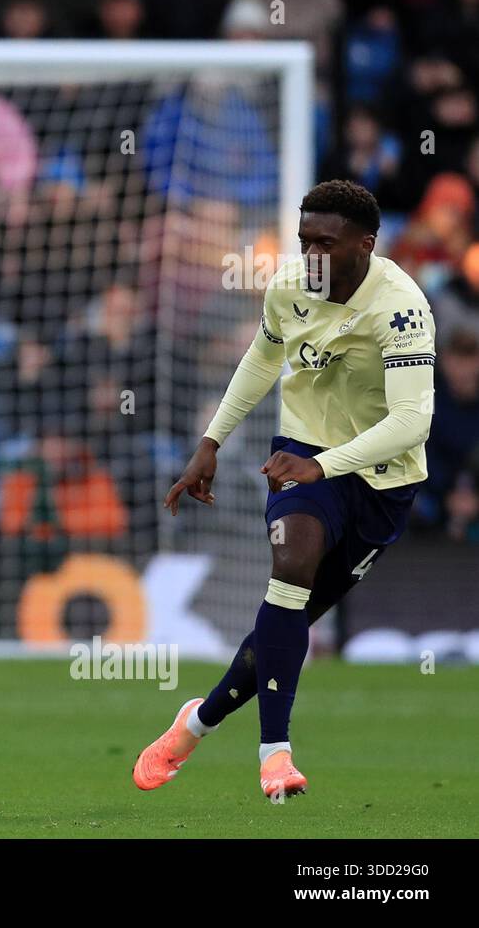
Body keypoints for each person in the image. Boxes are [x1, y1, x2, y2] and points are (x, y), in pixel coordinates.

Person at [139, 180, 434, 800]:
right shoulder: (289, 287)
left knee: (283, 627)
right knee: (290, 568)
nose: (312, 257)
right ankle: (276, 756)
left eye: (326, 243)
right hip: (302, 454)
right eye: (305, 242)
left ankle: (195, 723)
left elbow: (412, 423)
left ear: (366, 244)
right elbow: (262, 358)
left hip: (383, 481)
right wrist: (212, 442)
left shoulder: (401, 307)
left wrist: (330, 468)